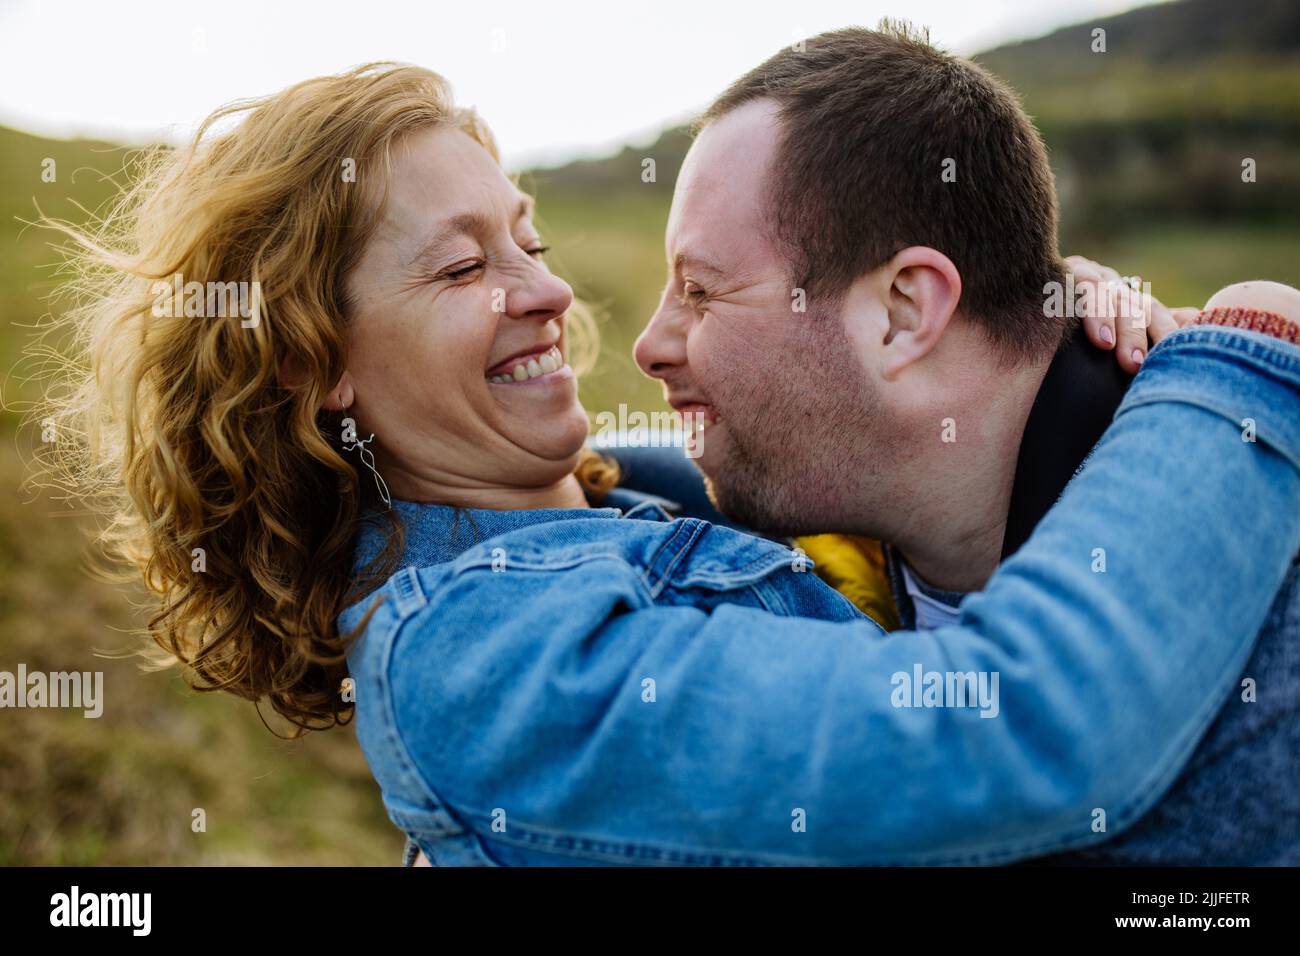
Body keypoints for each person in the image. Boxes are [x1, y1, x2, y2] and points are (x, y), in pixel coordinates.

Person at [34, 62, 1300, 868]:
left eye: (525, 239)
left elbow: (890, 407)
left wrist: (1049, 318)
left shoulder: (613, 503)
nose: (551, 293)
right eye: (465, 267)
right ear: (320, 365)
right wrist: (1235, 360)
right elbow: (1007, 735)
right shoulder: (480, 648)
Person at [624, 25, 1300, 864]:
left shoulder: (1269, 660)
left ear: (906, 310)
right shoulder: (815, 525)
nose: (649, 344)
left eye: (699, 289)